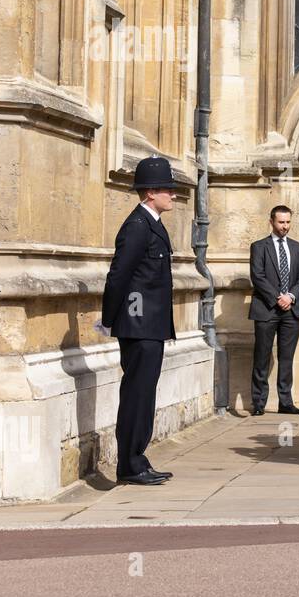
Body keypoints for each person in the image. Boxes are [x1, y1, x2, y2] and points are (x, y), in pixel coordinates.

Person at [100, 156, 181, 486]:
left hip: (151, 324)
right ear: (150, 193)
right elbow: (118, 276)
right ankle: (130, 465)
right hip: (138, 324)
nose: (173, 195)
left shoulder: (153, 224)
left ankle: (137, 459)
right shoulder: (137, 226)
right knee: (136, 394)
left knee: (144, 395)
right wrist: (109, 319)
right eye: (168, 190)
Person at [248, 205, 299, 416]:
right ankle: (258, 403)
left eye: (288, 222)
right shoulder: (259, 246)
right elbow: (258, 276)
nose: (285, 226)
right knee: (262, 356)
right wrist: (278, 298)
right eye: (281, 222)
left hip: (291, 310)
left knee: (287, 358)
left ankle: (285, 402)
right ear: (272, 222)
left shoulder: (297, 247)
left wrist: (290, 296)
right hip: (267, 308)